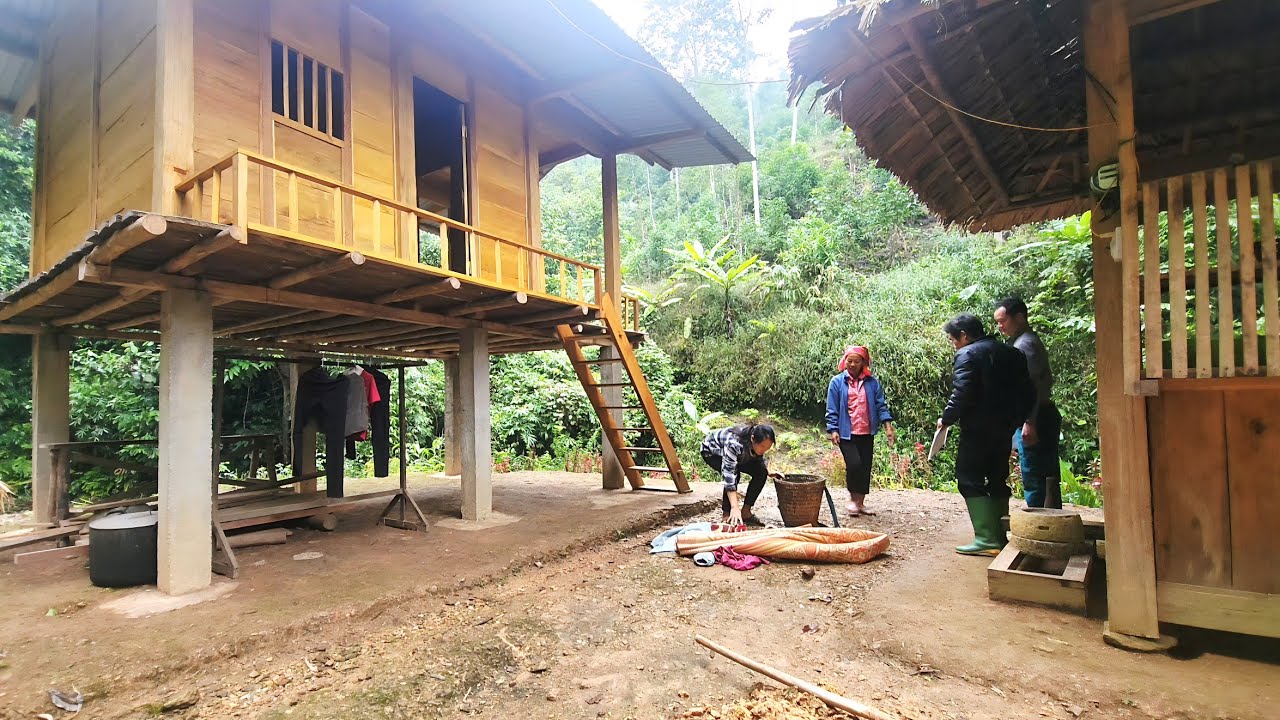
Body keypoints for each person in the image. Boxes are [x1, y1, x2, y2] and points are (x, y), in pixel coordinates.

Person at [938, 313, 1034, 556]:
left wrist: (946, 419)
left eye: (953, 339)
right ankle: (999, 536)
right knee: (997, 479)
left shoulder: (967, 354)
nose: (954, 345)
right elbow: (1028, 391)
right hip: (1004, 428)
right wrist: (1017, 420)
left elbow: (962, 392)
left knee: (968, 478)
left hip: (977, 430)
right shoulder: (1013, 353)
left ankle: (986, 537)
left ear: (964, 335)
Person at [994, 297, 1062, 509]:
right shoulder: (1023, 342)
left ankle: (1040, 521)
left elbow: (1032, 386)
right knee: (1045, 475)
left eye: (1003, 321)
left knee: (1036, 475)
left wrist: (1029, 421)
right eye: (997, 322)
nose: (1000, 326)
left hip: (1036, 416)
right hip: (1038, 415)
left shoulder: (1025, 345)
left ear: (1020, 317)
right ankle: (1049, 519)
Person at [825, 345, 896, 515]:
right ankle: (852, 500)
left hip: (866, 431)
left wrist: (888, 427)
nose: (852, 364)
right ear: (845, 361)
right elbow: (832, 409)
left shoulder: (872, 383)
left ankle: (860, 503)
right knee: (854, 464)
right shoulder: (837, 382)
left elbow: (881, 406)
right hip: (846, 432)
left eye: (856, 361)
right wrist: (833, 429)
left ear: (863, 363)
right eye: (849, 361)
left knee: (865, 466)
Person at [701, 424, 780, 527]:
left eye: (767, 448)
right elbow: (729, 475)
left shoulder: (755, 440)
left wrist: (768, 470)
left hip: (736, 452)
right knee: (735, 475)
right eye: (762, 447)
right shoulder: (735, 443)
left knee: (761, 472)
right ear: (753, 439)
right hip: (712, 452)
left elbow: (758, 456)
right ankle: (727, 514)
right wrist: (735, 507)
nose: (764, 450)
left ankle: (746, 512)